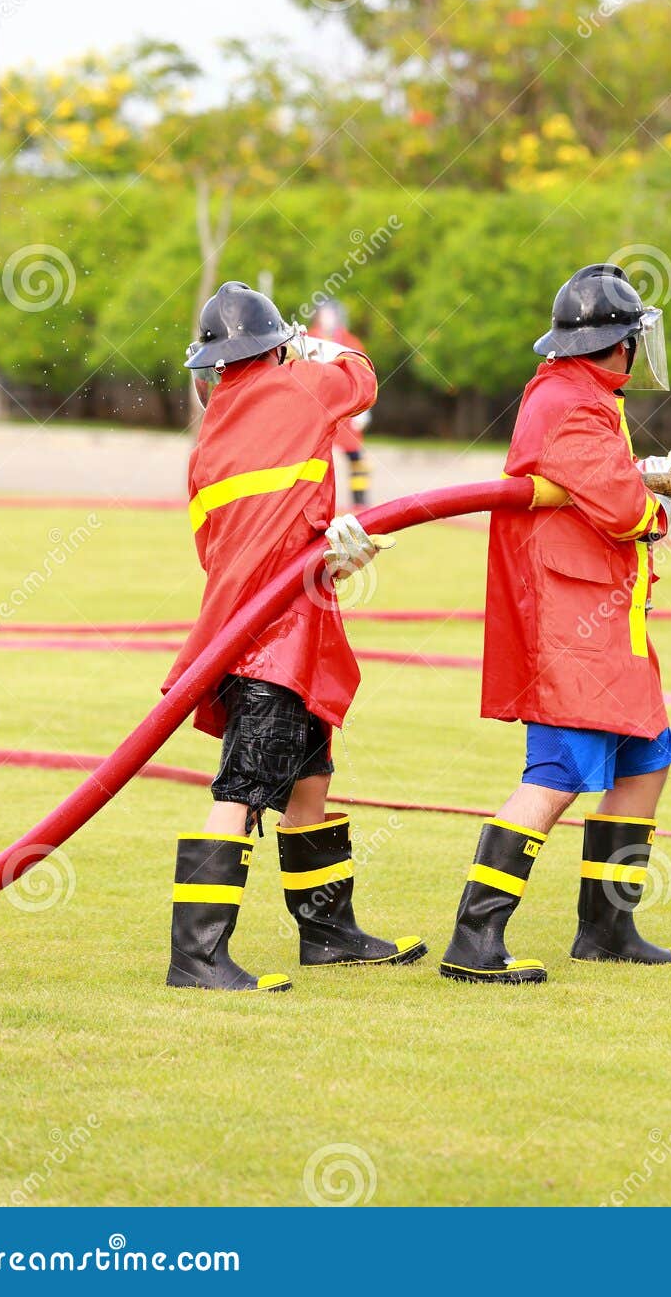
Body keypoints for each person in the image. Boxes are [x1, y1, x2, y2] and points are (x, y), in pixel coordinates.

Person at [440, 263, 671, 985]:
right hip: (573, 625)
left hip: (606, 620)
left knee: (646, 764)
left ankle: (606, 930)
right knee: (557, 775)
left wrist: (660, 473)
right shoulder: (568, 403)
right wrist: (667, 498)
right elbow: (622, 510)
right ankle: (473, 943)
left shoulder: (582, 393)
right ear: (622, 344)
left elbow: (603, 480)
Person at [162, 280, 426, 993]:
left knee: (309, 779)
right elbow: (363, 380)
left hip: (259, 625)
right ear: (277, 348)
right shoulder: (305, 385)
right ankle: (197, 958)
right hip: (272, 638)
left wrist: (320, 554)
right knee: (243, 788)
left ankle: (329, 935)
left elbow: (226, 546)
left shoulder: (208, 439)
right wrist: (315, 346)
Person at [311, 299, 373, 507]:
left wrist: (364, 410)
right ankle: (314, 502)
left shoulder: (351, 342)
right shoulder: (307, 340)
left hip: (346, 408)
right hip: (316, 409)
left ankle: (360, 502)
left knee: (355, 454)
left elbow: (363, 373)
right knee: (312, 457)